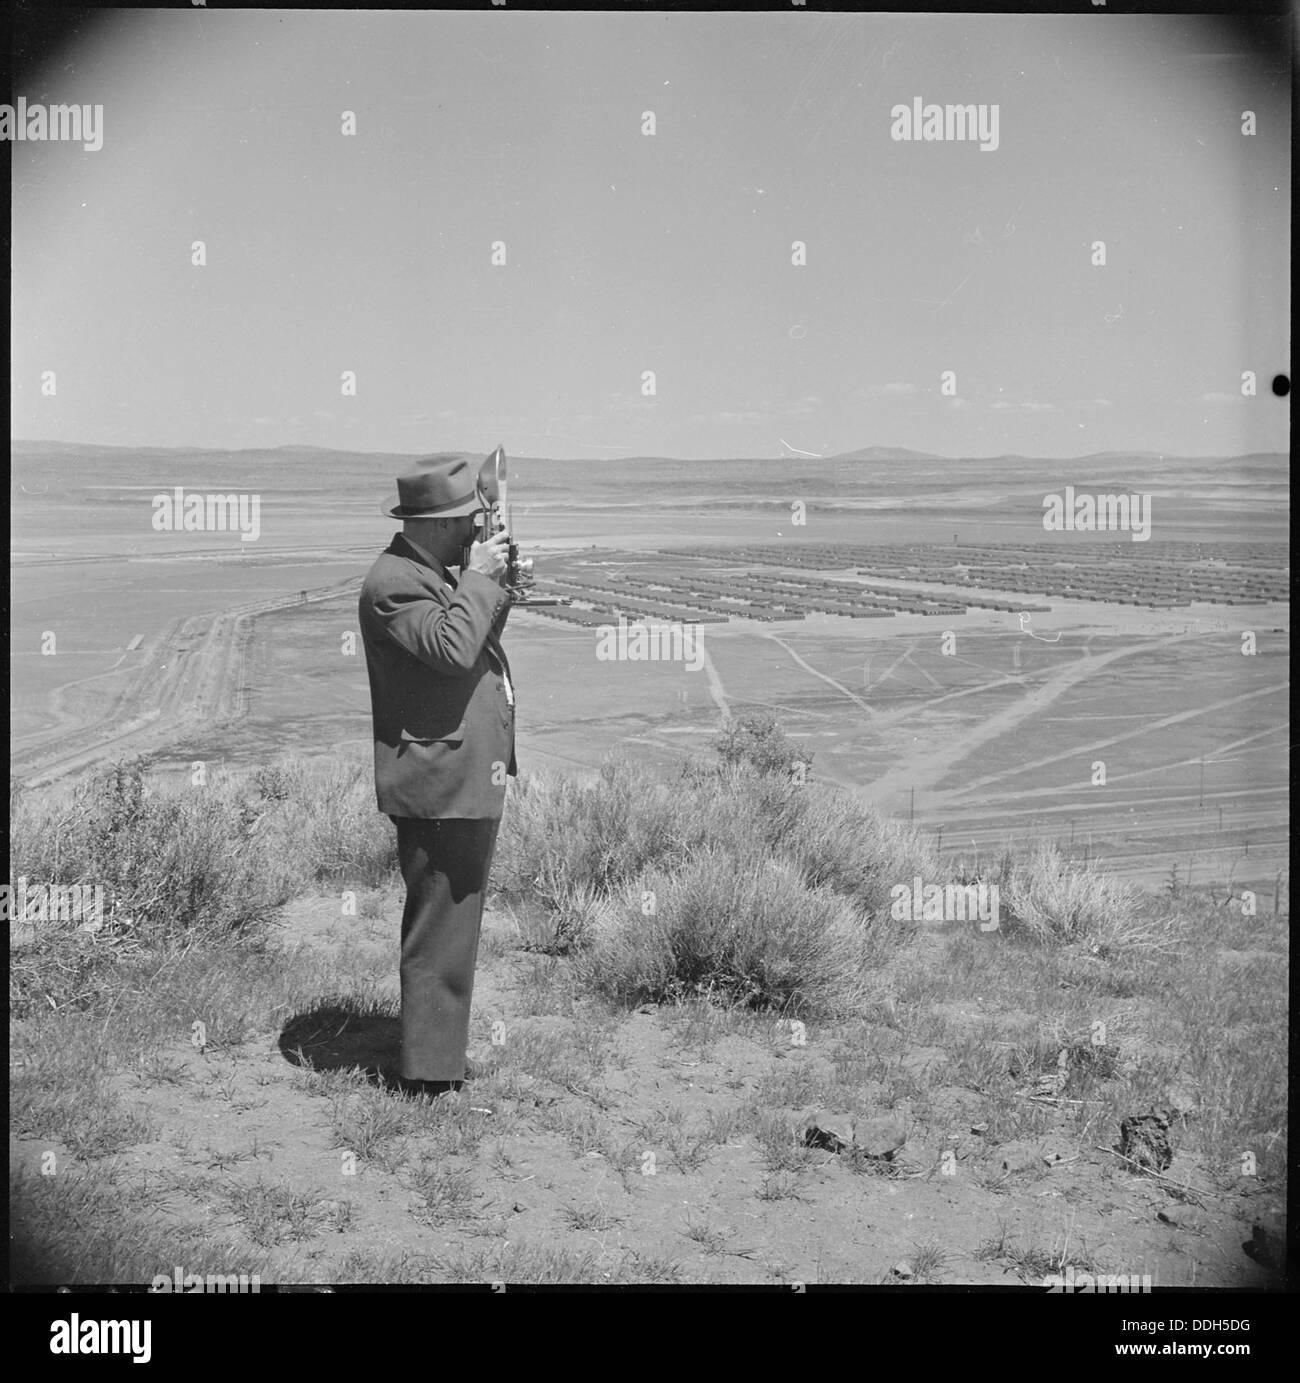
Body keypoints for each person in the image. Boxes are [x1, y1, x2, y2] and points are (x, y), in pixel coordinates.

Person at [359, 452, 517, 1097]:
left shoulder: (426, 571)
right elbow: (453, 653)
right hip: (438, 782)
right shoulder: (393, 582)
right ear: (432, 524)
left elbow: (471, 640)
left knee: (455, 922)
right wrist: (480, 581)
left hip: (458, 776)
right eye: (465, 524)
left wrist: (494, 588)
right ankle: (427, 1077)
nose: (473, 535)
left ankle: (436, 1061)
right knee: (442, 926)